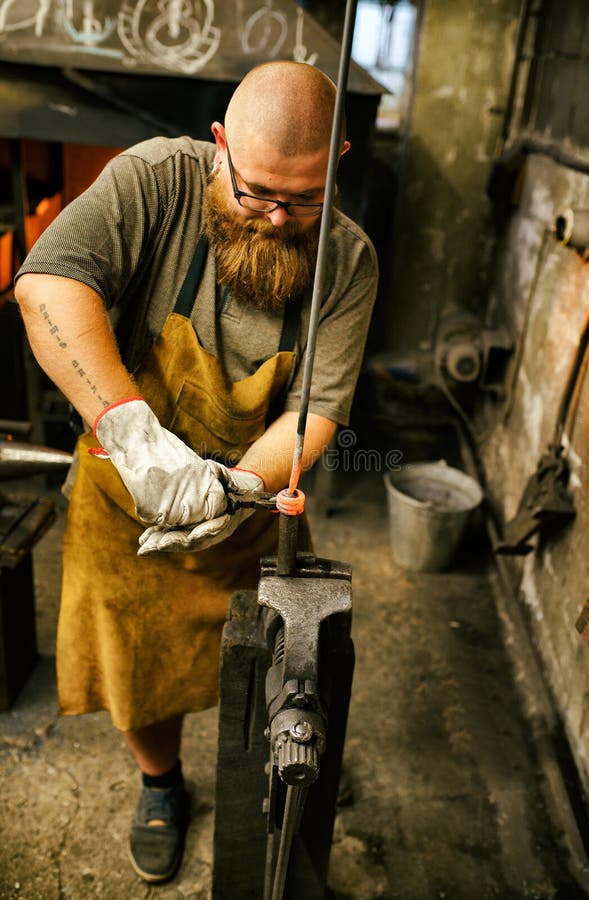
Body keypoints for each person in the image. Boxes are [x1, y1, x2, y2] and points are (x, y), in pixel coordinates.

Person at [14, 60, 378, 883]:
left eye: (306, 197)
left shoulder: (346, 260)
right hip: (124, 495)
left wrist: (240, 487)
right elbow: (47, 285)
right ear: (219, 143)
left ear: (341, 161)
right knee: (136, 664)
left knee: (288, 656)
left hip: (251, 500)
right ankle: (162, 786)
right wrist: (133, 432)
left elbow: (316, 410)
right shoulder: (157, 182)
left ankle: (285, 757)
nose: (280, 217)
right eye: (257, 193)